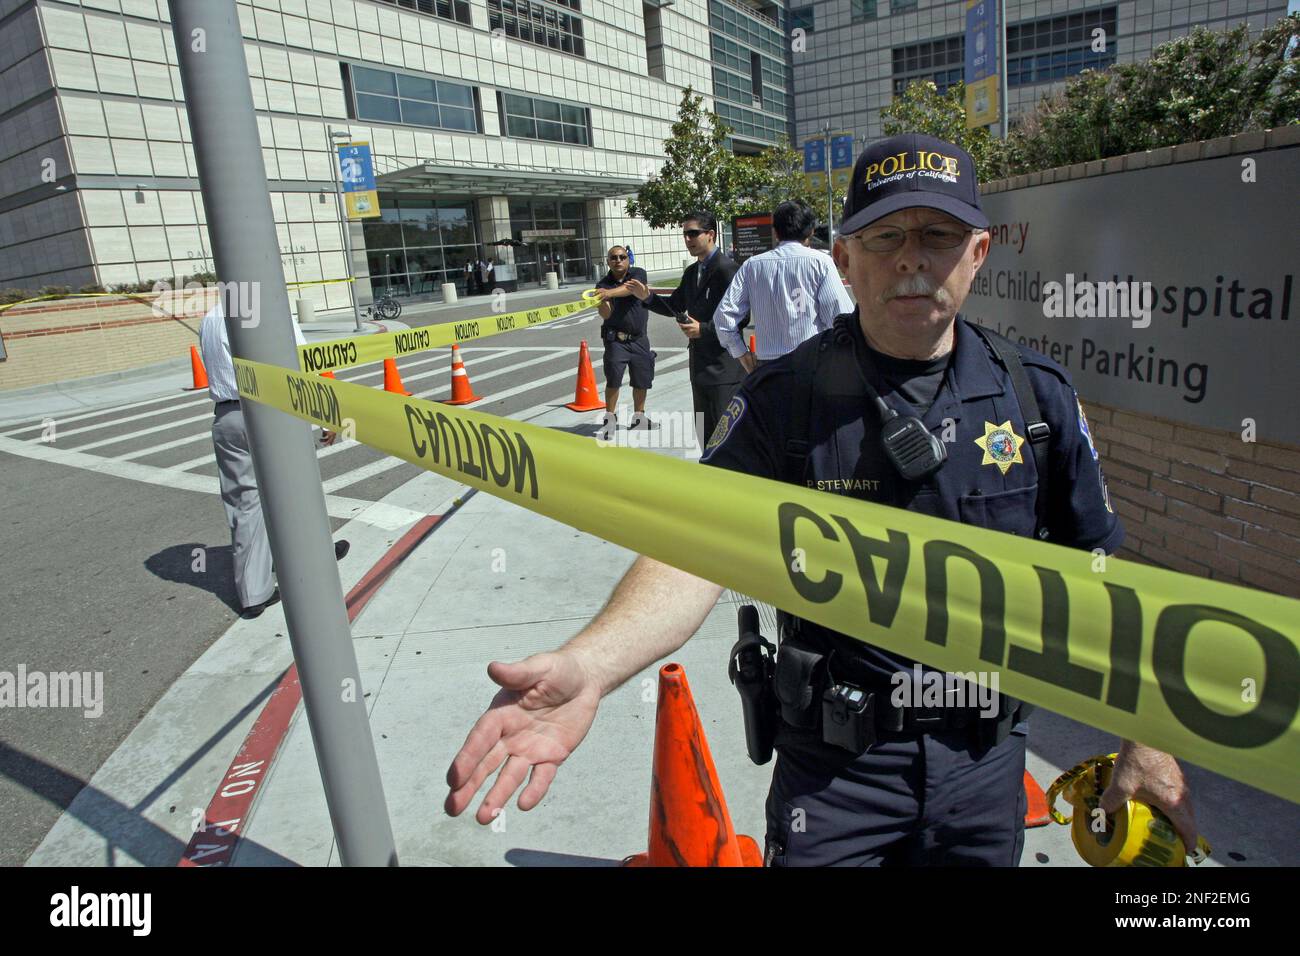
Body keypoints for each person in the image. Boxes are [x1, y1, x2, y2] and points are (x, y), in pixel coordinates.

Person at [443, 133, 1196, 866]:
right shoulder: (784, 398)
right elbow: (696, 546)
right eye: (884, 237)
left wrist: (1147, 737)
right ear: (842, 259)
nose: (911, 257)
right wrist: (591, 664)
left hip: (985, 768)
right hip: (836, 778)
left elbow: (1103, 586)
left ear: (978, 253)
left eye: (938, 234)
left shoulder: (1037, 398)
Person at [199, 300, 349, 618]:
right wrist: (326, 418)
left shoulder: (210, 318)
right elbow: (302, 363)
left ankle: (253, 592)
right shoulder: (270, 311)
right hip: (269, 412)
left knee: (245, 501)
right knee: (299, 489)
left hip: (226, 416)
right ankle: (316, 555)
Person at [619, 210, 747, 447]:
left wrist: (705, 330)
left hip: (724, 369)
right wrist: (647, 296)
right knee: (705, 439)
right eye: (685, 234)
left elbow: (742, 318)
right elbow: (674, 305)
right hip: (699, 369)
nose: (687, 239)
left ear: (710, 234)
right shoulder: (691, 272)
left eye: (693, 233)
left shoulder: (727, 270)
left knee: (726, 441)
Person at [713, 200, 853, 368]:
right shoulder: (820, 262)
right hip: (811, 361)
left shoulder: (752, 265)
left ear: (775, 232)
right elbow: (840, 316)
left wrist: (742, 355)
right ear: (811, 230)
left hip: (767, 366)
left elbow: (723, 317)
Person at [590, 245, 655, 434]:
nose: (618, 260)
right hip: (616, 341)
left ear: (628, 259)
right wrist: (601, 301)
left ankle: (639, 417)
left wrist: (608, 293)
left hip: (639, 339)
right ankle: (610, 419)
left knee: (642, 379)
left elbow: (630, 289)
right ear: (608, 261)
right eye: (613, 257)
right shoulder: (602, 284)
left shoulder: (638, 274)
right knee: (614, 380)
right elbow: (606, 314)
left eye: (622, 257)